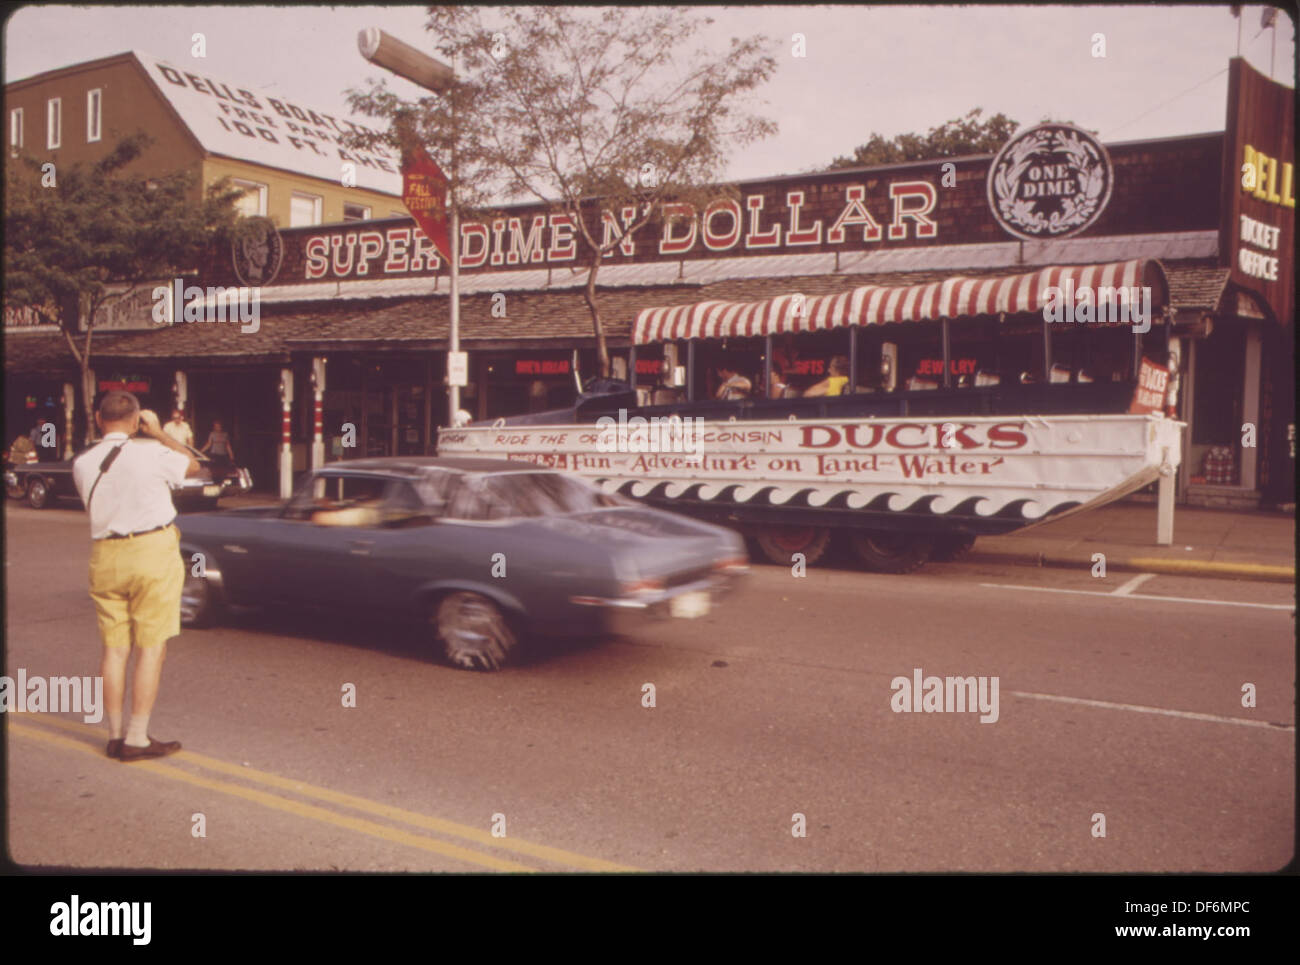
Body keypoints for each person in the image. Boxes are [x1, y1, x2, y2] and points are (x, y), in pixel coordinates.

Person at [71, 391, 201, 761]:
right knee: (151, 646)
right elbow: (191, 465)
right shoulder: (153, 452)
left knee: (114, 649)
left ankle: (113, 735)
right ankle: (137, 737)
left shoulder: (83, 463)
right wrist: (159, 432)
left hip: (105, 555)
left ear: (98, 419)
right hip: (151, 552)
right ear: (135, 420)